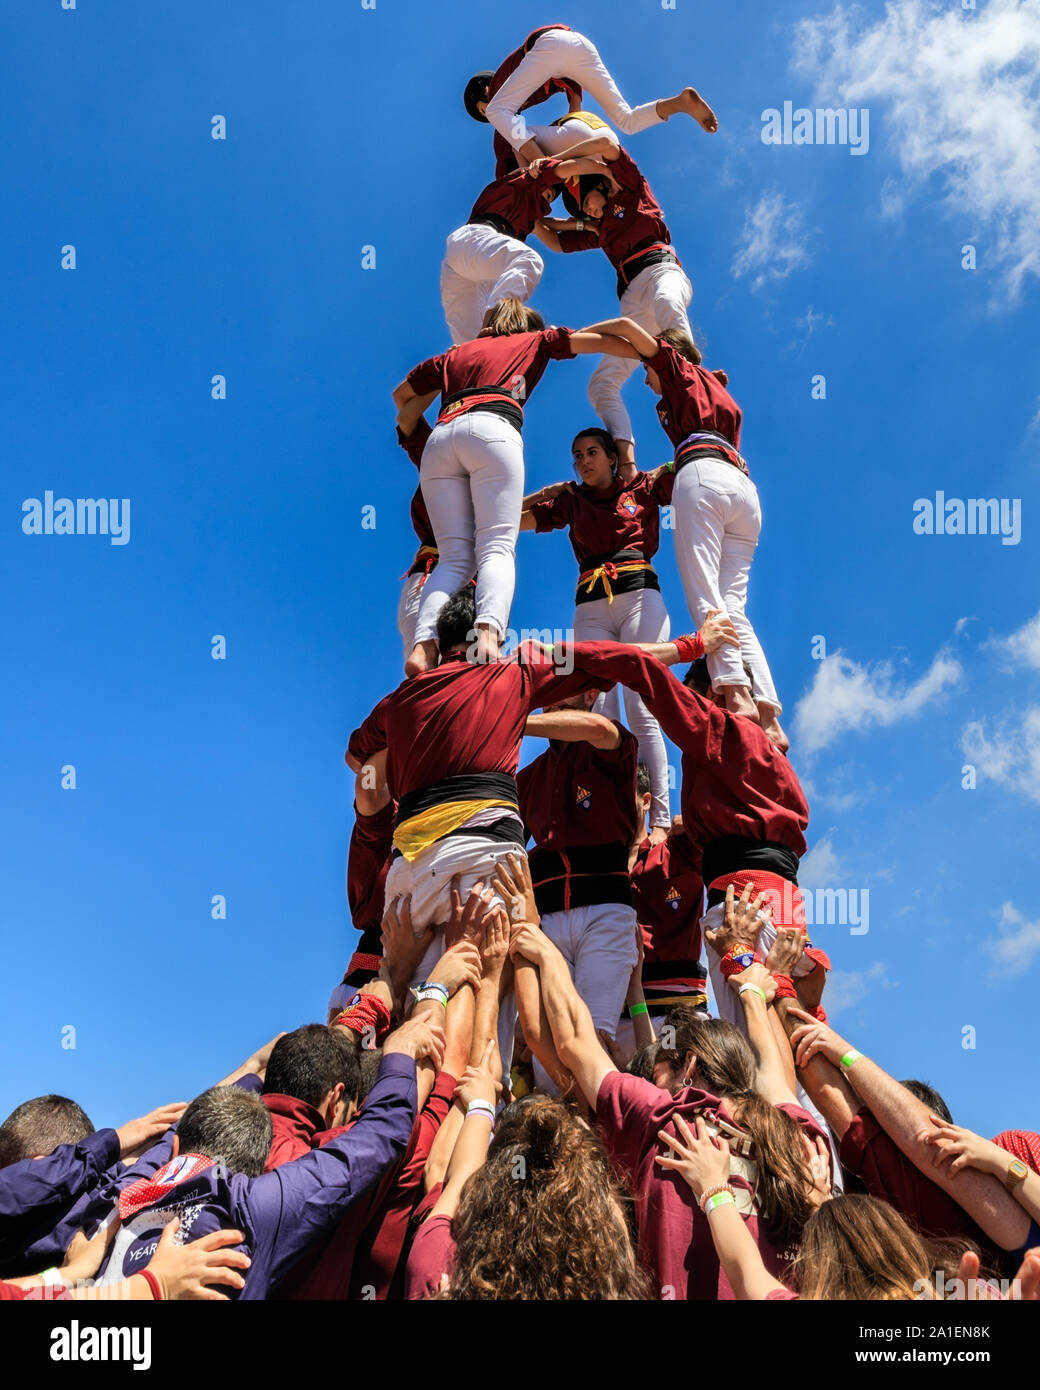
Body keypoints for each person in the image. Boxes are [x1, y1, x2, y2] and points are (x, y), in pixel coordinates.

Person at [509, 899, 828, 1299]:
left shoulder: (667, 1118)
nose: (646, 1077)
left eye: (657, 1066)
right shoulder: (799, 1137)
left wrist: (543, 950)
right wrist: (752, 987)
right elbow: (777, 1075)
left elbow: (573, 1040)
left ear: (688, 1064)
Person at [18, 1016, 444, 1300]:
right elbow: (380, 1136)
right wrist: (401, 1051)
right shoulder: (259, 1207)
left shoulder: (122, 1200)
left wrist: (67, 1278)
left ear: (182, 1149)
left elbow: (168, 1139)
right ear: (259, 1165)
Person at [393, 300, 640, 671]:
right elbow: (602, 341)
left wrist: (450, 372)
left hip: (443, 435)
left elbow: (401, 398)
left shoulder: (455, 355)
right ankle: (488, 636)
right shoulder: (535, 340)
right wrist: (649, 354)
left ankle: (423, 647)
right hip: (494, 425)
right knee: (495, 546)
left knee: (455, 557)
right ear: (524, 325)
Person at [582, 316, 785, 744]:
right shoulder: (717, 387)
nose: (646, 380)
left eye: (645, 371)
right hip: (744, 487)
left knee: (704, 598)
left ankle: (735, 691)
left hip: (703, 473)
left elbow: (628, 327)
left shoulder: (677, 370)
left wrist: (577, 339)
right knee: (735, 608)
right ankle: (770, 715)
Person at [521, 426, 675, 829]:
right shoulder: (572, 501)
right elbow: (504, 519)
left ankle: (658, 822)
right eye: (577, 455)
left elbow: (696, 468)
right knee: (597, 705)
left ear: (611, 457)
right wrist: (541, 495)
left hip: (639, 594)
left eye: (592, 452)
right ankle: (610, 813)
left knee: (641, 706)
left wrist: (727, 458)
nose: (584, 461)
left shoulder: (643, 488)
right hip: (590, 604)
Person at [532, 140, 694, 472]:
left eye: (586, 201)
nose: (586, 211)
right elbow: (555, 241)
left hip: (660, 269)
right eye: (579, 210)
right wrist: (528, 207)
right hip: (632, 300)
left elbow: (606, 146)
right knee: (600, 384)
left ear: (598, 185)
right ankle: (627, 465)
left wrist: (556, 161)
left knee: (667, 306)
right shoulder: (600, 229)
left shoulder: (631, 190)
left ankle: (696, 385)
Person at [516, 691, 641, 1088]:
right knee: (546, 1060)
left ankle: (599, 1146)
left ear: (590, 693)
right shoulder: (527, 778)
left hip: (605, 911)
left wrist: (513, 721)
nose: (552, 694)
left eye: (565, 684)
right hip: (547, 920)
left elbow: (598, 728)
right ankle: (561, 1147)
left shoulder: (612, 747)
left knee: (593, 1045)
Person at [464, 25, 717, 172]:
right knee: (626, 119)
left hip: (548, 45)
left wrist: (531, 168)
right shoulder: (528, 89)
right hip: (580, 47)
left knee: (501, 114)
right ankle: (681, 102)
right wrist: (574, 115)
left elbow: (502, 142)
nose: (488, 114)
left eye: (482, 110)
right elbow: (567, 85)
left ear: (485, 90)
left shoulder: (498, 89)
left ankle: (540, 162)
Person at [440, 154, 610, 345]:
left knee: (468, 343)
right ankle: (497, 321)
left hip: (467, 265)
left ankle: (466, 360)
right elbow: (568, 168)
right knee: (529, 260)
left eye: (550, 199)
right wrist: (606, 171)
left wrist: (582, 225)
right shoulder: (526, 181)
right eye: (548, 194)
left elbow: (549, 230)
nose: (546, 201)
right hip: (474, 238)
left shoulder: (527, 213)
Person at [628, 773, 708, 1024]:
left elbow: (726, 828)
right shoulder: (590, 868)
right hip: (614, 1010)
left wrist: (693, 823)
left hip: (678, 1010)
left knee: (677, 1061)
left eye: (623, 793)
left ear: (646, 801)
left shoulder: (680, 848)